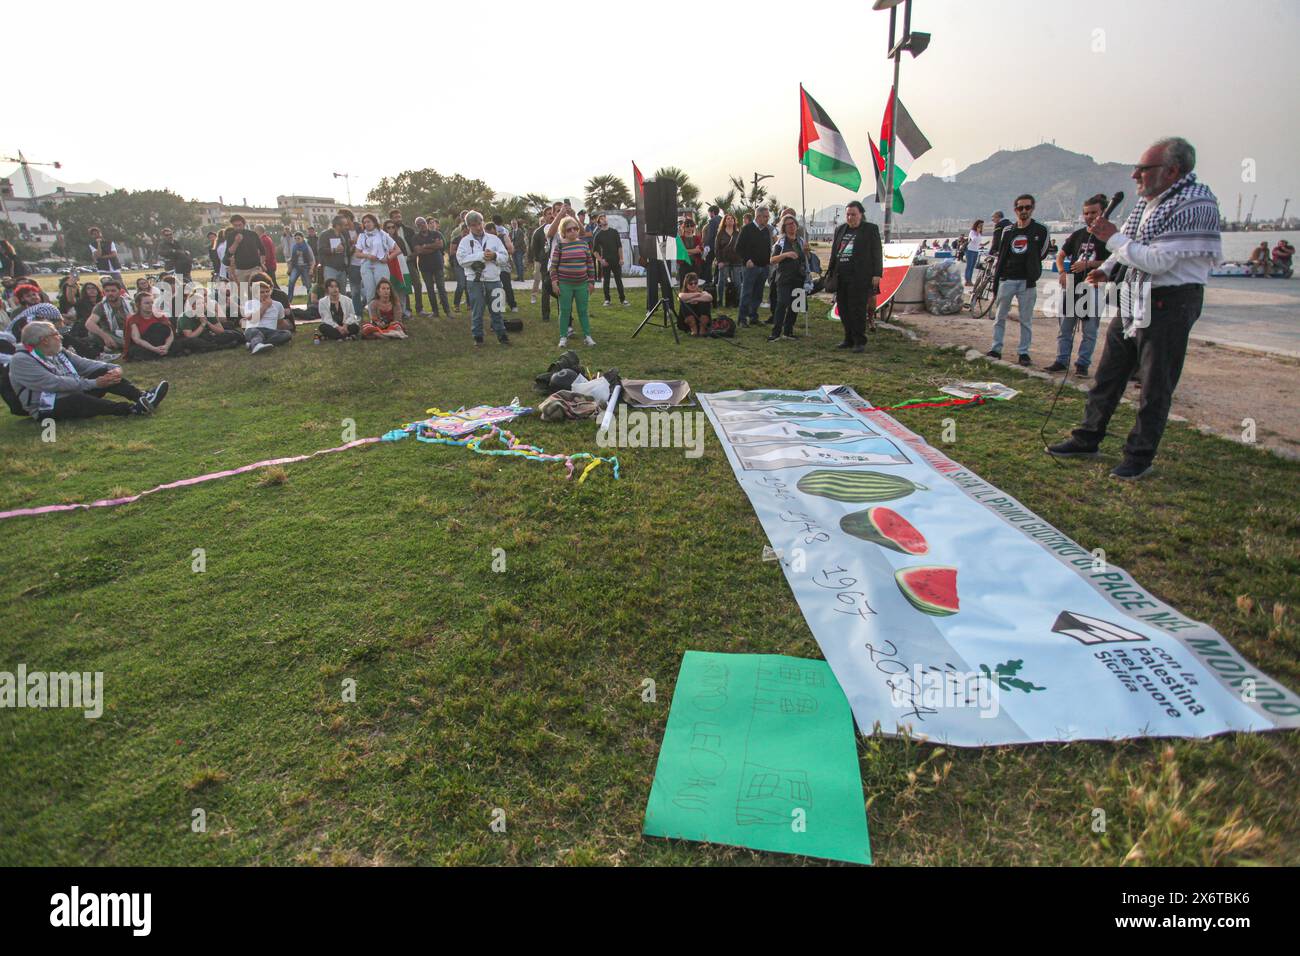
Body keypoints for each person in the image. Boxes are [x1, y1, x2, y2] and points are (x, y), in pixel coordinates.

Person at [1047, 136, 1221, 480]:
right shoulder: (1147, 206)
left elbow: (1157, 260)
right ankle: (1087, 437)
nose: (1135, 175)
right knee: (1108, 375)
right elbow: (1129, 243)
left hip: (1170, 301)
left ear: (1171, 171)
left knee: (1155, 385)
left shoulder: (1193, 204)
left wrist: (1111, 237)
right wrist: (1108, 268)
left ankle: (1139, 456)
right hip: (1134, 296)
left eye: (1144, 169)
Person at [8, 320, 167, 419]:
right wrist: (94, 383)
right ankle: (132, 410)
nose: (61, 337)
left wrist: (114, 369)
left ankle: (143, 397)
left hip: (74, 390)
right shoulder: (22, 360)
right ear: (44, 341)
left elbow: (87, 364)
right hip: (46, 405)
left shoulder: (58, 351)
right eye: (56, 334)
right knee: (78, 399)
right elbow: (54, 384)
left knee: (103, 372)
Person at [1046, 194, 1111, 376]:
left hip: (1093, 287)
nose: (1089, 216)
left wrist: (1089, 264)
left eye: (1093, 212)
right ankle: (1061, 360)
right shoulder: (1077, 235)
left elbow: (1114, 261)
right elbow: (1061, 255)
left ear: (1103, 212)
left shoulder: (1109, 238)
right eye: (1086, 213)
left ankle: (1082, 364)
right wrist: (1062, 272)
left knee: (1089, 331)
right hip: (1072, 285)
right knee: (1065, 328)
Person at [987, 194, 1049, 365]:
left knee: (1026, 319)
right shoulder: (1008, 231)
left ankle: (1023, 352)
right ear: (1015, 210)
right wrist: (997, 281)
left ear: (1032, 208)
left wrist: (1032, 269)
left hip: (1027, 282)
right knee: (1000, 316)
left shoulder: (1040, 230)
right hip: (1007, 279)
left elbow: (1042, 253)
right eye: (1020, 208)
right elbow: (1002, 255)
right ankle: (996, 348)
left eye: (1027, 207)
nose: (1024, 211)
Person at [824, 201, 883, 353]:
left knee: (857, 309)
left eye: (854, 214)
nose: (850, 217)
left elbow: (877, 252)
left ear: (861, 215)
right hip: (841, 276)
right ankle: (848, 338)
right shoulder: (840, 230)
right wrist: (830, 271)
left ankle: (859, 341)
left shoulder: (870, 229)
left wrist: (877, 273)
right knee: (843, 309)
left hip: (860, 277)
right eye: (848, 214)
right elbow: (834, 253)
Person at [457, 211, 510, 346]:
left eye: (480, 223)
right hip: (474, 281)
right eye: (474, 225)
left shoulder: (494, 239)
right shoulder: (464, 241)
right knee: (477, 310)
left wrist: (494, 256)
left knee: (497, 309)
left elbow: (505, 257)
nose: (478, 227)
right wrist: (481, 256)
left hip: (494, 279)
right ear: (469, 226)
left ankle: (502, 335)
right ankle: (478, 337)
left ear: (483, 222)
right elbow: (461, 260)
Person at [549, 216, 596, 348]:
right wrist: (554, 282)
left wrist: (591, 282)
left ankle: (587, 336)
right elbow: (553, 267)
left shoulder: (583, 244)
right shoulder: (560, 246)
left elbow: (590, 263)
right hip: (565, 285)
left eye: (575, 228)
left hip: (582, 284)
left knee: (583, 311)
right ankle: (563, 337)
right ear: (563, 231)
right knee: (565, 311)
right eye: (569, 229)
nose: (573, 231)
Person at [766, 216, 808, 342]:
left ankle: (788, 331)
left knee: (795, 305)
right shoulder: (780, 243)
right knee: (782, 303)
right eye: (788, 224)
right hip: (784, 278)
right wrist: (786, 255)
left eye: (793, 223)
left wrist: (807, 253)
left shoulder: (801, 242)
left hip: (799, 278)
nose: (791, 226)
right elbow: (772, 260)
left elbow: (805, 260)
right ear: (784, 227)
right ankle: (776, 332)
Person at [175, 288, 245, 352]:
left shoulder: (209, 313)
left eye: (203, 303)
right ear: (193, 306)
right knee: (195, 341)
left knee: (231, 334)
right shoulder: (185, 317)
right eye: (199, 304)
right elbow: (189, 336)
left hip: (206, 335)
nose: (203, 305)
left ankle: (239, 340)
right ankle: (220, 346)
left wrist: (208, 323)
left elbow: (221, 331)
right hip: (191, 338)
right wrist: (202, 325)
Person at [737, 207, 773, 328]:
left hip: (763, 267)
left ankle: (753, 316)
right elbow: (738, 248)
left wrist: (769, 261)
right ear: (759, 216)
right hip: (750, 267)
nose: (768, 219)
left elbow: (768, 247)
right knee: (747, 293)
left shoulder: (766, 230)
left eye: (768, 216)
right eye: (766, 216)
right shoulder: (747, 229)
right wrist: (746, 260)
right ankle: (742, 319)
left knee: (758, 294)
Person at [353, 213, 396, 305]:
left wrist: (388, 258)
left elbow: (397, 249)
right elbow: (357, 253)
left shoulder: (382, 234)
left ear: (374, 222)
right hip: (366, 264)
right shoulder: (362, 236)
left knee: (383, 290)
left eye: (369, 221)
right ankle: (374, 317)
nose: (366, 224)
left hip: (380, 264)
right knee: (370, 291)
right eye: (364, 222)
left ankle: (386, 314)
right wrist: (368, 256)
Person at [410, 217, 449, 317]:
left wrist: (425, 246)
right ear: (417, 226)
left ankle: (447, 311)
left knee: (441, 288)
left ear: (426, 223)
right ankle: (435, 312)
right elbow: (418, 251)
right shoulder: (415, 237)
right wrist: (432, 246)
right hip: (425, 267)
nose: (421, 225)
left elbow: (439, 245)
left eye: (422, 223)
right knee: (430, 289)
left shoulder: (435, 233)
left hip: (438, 264)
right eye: (419, 224)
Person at [124, 291, 179, 360]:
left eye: (152, 303)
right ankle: (159, 353)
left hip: (162, 343)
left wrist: (166, 346)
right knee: (135, 351)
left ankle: (161, 352)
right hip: (145, 345)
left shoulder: (160, 316)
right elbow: (137, 339)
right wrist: (154, 349)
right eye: (147, 303)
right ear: (139, 305)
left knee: (177, 343)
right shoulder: (133, 318)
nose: (150, 305)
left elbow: (170, 334)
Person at [242, 281, 293, 354]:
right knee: (255, 333)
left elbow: (280, 322)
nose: (265, 294)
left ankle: (254, 344)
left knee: (287, 334)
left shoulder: (278, 305)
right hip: (254, 329)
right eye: (262, 292)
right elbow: (253, 320)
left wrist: (288, 326)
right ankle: (256, 344)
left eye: (267, 291)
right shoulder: (250, 303)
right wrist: (265, 306)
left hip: (270, 331)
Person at [85, 278, 130, 357]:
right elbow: (89, 323)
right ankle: (126, 345)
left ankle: (123, 345)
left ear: (119, 292)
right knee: (92, 333)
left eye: (113, 291)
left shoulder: (129, 303)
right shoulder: (101, 306)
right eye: (107, 291)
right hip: (112, 334)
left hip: (130, 332)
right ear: (104, 292)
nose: (110, 293)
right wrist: (105, 336)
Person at [592, 214, 627, 306]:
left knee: (618, 280)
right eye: (602, 219)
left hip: (616, 260)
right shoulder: (598, 235)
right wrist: (601, 260)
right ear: (599, 223)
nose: (604, 220)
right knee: (606, 281)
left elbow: (619, 246)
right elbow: (595, 251)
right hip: (606, 262)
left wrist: (621, 258)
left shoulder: (614, 232)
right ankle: (607, 300)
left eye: (605, 218)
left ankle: (623, 300)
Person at [224, 215, 265, 290]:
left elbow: (262, 250)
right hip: (240, 269)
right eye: (235, 226)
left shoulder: (252, 234)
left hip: (254, 268)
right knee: (244, 295)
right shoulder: (231, 236)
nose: (238, 228)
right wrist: (236, 242)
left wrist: (262, 264)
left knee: (257, 292)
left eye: (240, 225)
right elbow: (229, 253)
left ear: (244, 224)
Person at [712, 213, 743, 309]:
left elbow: (742, 247)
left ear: (734, 221)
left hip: (736, 261)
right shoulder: (720, 234)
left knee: (738, 282)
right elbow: (717, 249)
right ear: (724, 222)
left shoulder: (738, 233)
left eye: (731, 219)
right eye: (728, 219)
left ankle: (737, 301)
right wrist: (719, 261)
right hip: (724, 261)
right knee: (721, 281)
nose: (730, 220)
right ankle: (720, 301)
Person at [531, 208, 556, 315]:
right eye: (549, 214)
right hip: (545, 264)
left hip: (558, 263)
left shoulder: (559, 229)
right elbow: (534, 249)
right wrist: (540, 259)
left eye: (552, 213)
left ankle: (565, 314)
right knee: (546, 289)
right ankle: (545, 314)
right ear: (544, 217)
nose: (551, 216)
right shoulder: (538, 232)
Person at [286, 232, 315, 302]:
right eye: (295, 239)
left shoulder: (307, 247)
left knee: (308, 285)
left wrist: (311, 269)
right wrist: (289, 268)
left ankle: (310, 300)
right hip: (296, 267)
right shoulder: (294, 247)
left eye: (298, 238)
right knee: (291, 282)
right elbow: (292, 259)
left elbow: (312, 260)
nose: (297, 240)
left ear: (302, 238)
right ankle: (289, 300)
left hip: (305, 266)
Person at [677, 220, 703, 286]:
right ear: (684, 227)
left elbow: (699, 250)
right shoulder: (680, 238)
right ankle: (683, 296)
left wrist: (686, 250)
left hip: (695, 264)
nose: (689, 228)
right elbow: (681, 251)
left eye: (691, 225)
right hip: (683, 264)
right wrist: (694, 250)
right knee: (683, 284)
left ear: (694, 227)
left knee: (694, 284)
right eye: (687, 226)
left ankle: (694, 296)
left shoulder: (697, 238)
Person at [700, 205, 722, 284]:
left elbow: (710, 235)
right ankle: (717, 279)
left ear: (712, 212)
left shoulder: (712, 221)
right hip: (721, 246)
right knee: (719, 263)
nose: (709, 215)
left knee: (708, 263)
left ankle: (707, 280)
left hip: (712, 246)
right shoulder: (722, 219)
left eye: (709, 213)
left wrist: (706, 246)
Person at [964, 220, 985, 285]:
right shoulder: (972, 232)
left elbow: (977, 242)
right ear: (976, 225)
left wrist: (981, 244)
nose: (980, 227)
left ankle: (969, 280)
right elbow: (974, 239)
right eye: (979, 225)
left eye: (981, 225)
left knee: (972, 266)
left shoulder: (979, 233)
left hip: (976, 251)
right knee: (969, 266)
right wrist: (977, 233)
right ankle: (967, 280)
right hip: (970, 250)